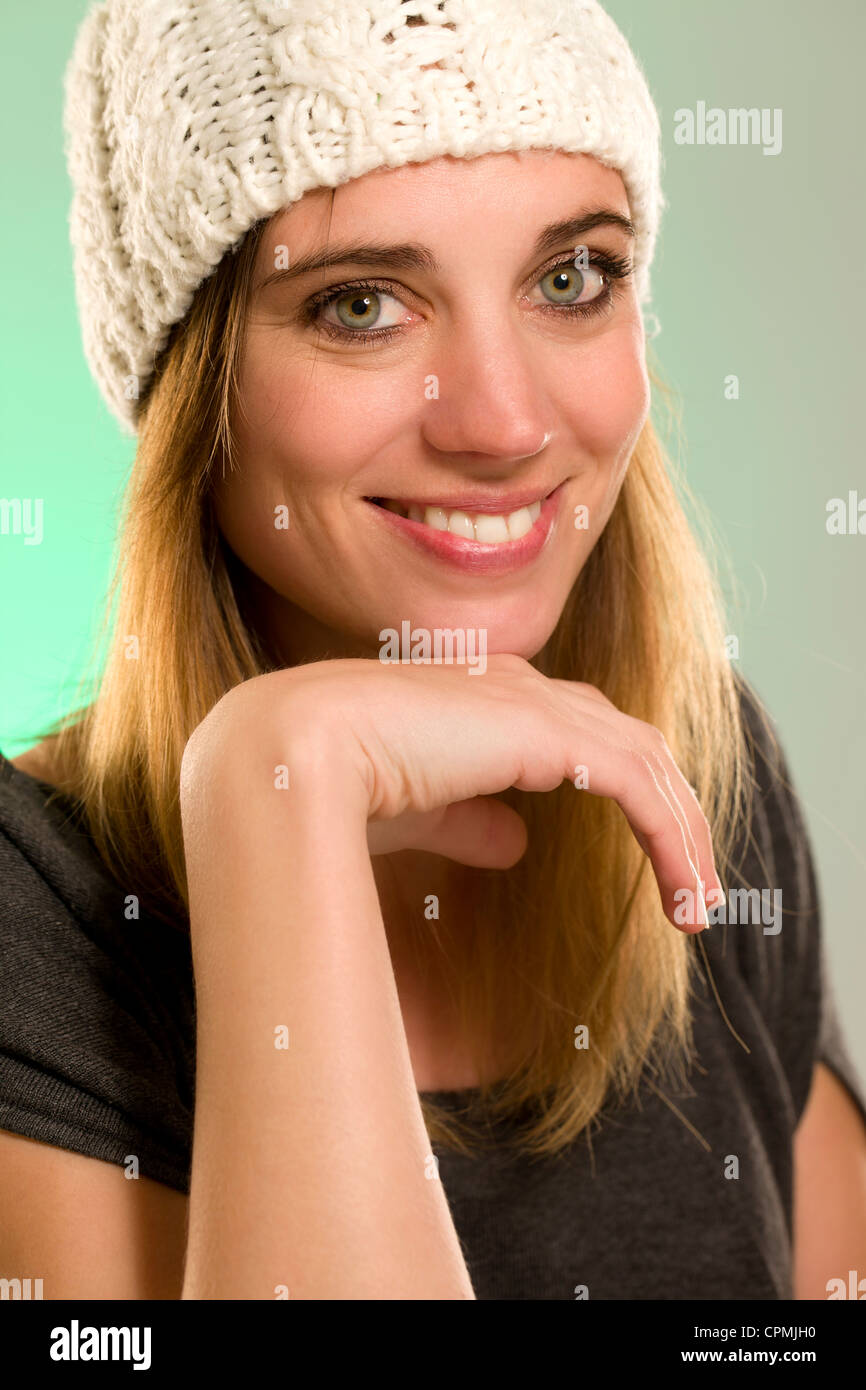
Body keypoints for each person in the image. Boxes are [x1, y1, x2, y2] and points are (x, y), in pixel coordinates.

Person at [1, 0, 864, 1301]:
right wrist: (277, 788)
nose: (504, 422)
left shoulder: (692, 768)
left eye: (570, 278)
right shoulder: (33, 914)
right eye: (361, 305)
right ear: (192, 379)